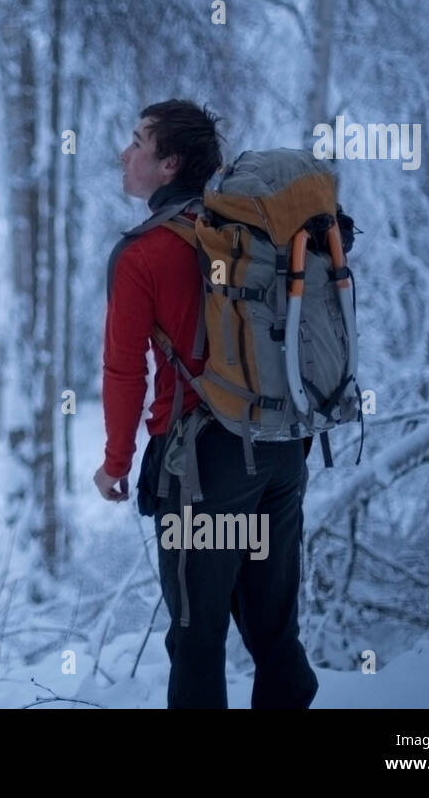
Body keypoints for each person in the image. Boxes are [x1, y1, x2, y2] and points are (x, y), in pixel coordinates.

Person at [92, 99, 319, 709]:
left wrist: (115, 463)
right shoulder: (249, 233)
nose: (125, 153)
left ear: (168, 164)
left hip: (205, 470)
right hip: (280, 452)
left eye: (138, 142)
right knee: (276, 636)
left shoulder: (141, 254)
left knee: (198, 643)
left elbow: (123, 371)